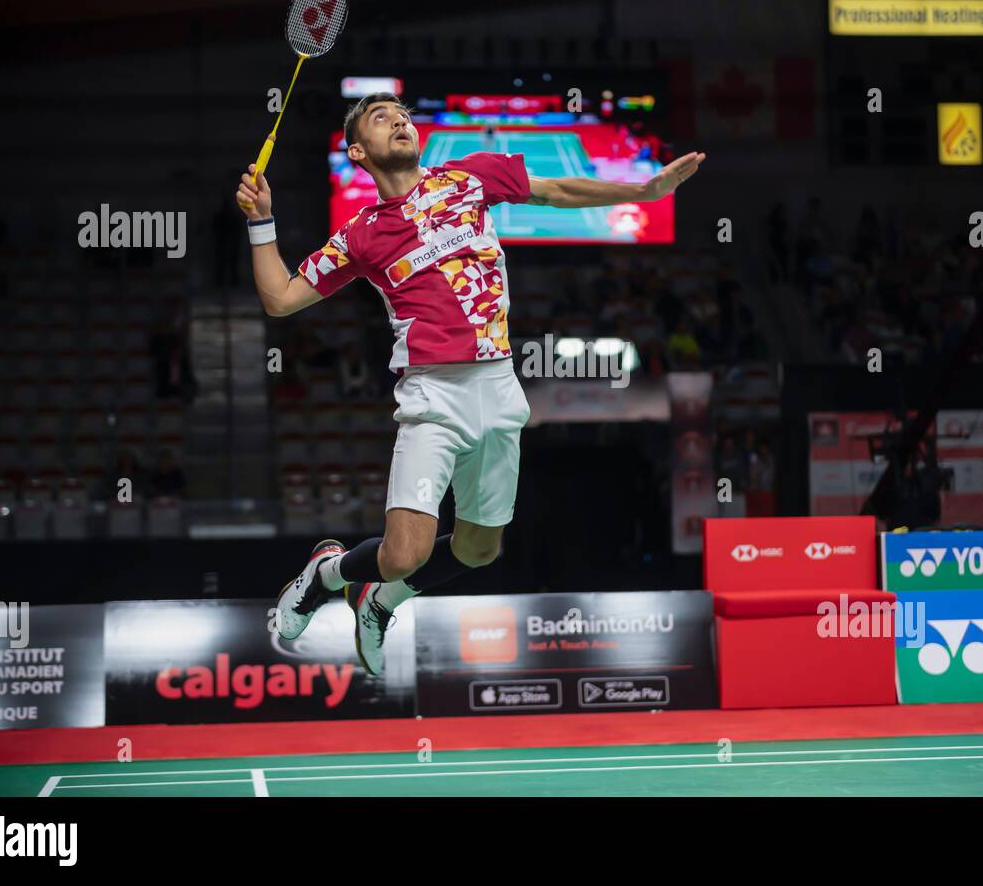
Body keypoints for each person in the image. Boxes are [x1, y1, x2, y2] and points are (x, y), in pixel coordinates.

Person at [236, 92, 704, 675]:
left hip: (500, 386)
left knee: (479, 549)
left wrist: (643, 193)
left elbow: (556, 191)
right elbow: (280, 299)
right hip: (433, 397)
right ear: (358, 152)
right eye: (381, 118)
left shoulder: (469, 178)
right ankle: (323, 575)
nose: (400, 121)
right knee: (403, 553)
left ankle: (381, 602)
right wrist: (261, 223)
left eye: (402, 114)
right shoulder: (361, 236)